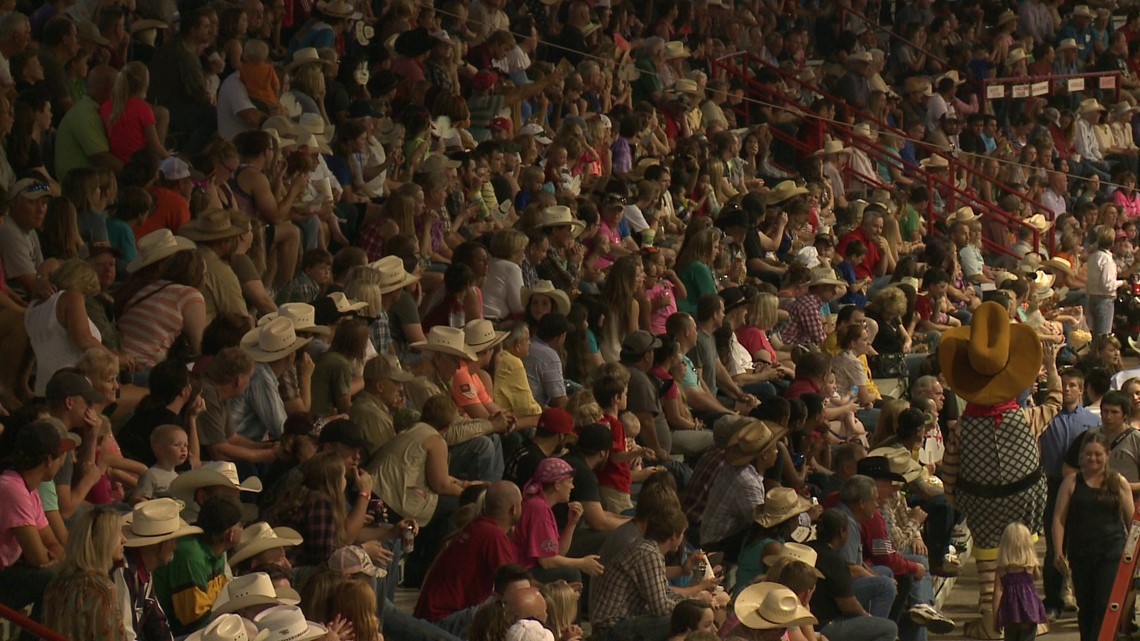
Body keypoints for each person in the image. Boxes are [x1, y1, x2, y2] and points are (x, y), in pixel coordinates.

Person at [941, 302, 1062, 638]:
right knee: (1024, 566)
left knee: (988, 573)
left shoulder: (963, 428)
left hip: (982, 507)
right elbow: (1054, 402)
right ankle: (1030, 615)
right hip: (1026, 504)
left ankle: (990, 623)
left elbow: (949, 473)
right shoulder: (1023, 418)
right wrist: (1052, 367)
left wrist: (957, 499)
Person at [1053, 430, 1134, 641]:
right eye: (1089, 454)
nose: (1093, 459)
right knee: (1086, 608)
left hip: (1111, 553)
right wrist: (1058, 551)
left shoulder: (1119, 482)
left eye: (1098, 454)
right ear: (1082, 456)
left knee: (1105, 606)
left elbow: (1132, 523)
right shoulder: (1071, 482)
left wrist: (1134, 557)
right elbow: (1059, 519)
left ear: (1107, 455)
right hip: (1081, 554)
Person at [415, 481, 522, 636]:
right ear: (514, 509)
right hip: (443, 620)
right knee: (510, 606)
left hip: (432, 616)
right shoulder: (493, 536)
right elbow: (514, 586)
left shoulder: (477, 527)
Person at [589, 507, 696, 641]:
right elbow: (660, 607)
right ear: (674, 535)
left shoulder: (648, 550)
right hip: (609, 628)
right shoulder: (649, 554)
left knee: (694, 613)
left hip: (620, 622)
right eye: (682, 534)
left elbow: (664, 593)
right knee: (684, 619)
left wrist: (695, 601)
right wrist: (692, 607)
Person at [0, 420, 70, 624]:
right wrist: (51, 557)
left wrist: (52, 555)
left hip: (11, 569)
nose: (63, 461)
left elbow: (53, 544)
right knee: (53, 581)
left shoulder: (29, 488)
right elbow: (38, 557)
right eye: (60, 456)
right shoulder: (12, 488)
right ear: (49, 460)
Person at [152, 495, 244, 636]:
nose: (243, 529)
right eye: (240, 525)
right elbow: (193, 621)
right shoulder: (191, 556)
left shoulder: (217, 552)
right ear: (230, 534)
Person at [117, 498, 204, 641]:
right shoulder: (124, 570)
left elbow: (158, 623)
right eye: (173, 540)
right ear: (161, 544)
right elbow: (126, 635)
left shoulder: (145, 573)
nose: (175, 547)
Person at [42, 506, 130, 641]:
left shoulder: (54, 585)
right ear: (102, 541)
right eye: (118, 534)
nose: (124, 540)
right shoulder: (103, 590)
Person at [810, 508, 898, 641]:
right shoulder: (834, 560)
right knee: (890, 628)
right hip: (825, 624)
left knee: (885, 574)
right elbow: (848, 606)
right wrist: (868, 618)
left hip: (816, 614)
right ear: (842, 533)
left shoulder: (809, 547)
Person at [513, 457, 603, 583]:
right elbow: (547, 561)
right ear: (557, 485)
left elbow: (558, 553)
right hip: (523, 572)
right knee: (571, 574)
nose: (572, 486)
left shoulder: (542, 506)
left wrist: (571, 524)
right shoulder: (538, 508)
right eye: (569, 482)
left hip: (532, 568)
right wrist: (581, 563)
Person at [993, 522, 1047, 641]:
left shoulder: (1002, 569)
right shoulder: (1030, 566)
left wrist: (995, 617)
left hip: (1010, 612)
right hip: (1030, 610)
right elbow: (1037, 577)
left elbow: (997, 593)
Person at [130, 424, 190, 502]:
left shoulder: (177, 476)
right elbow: (135, 498)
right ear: (159, 449)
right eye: (176, 445)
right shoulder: (151, 475)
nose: (183, 449)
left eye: (185, 445)